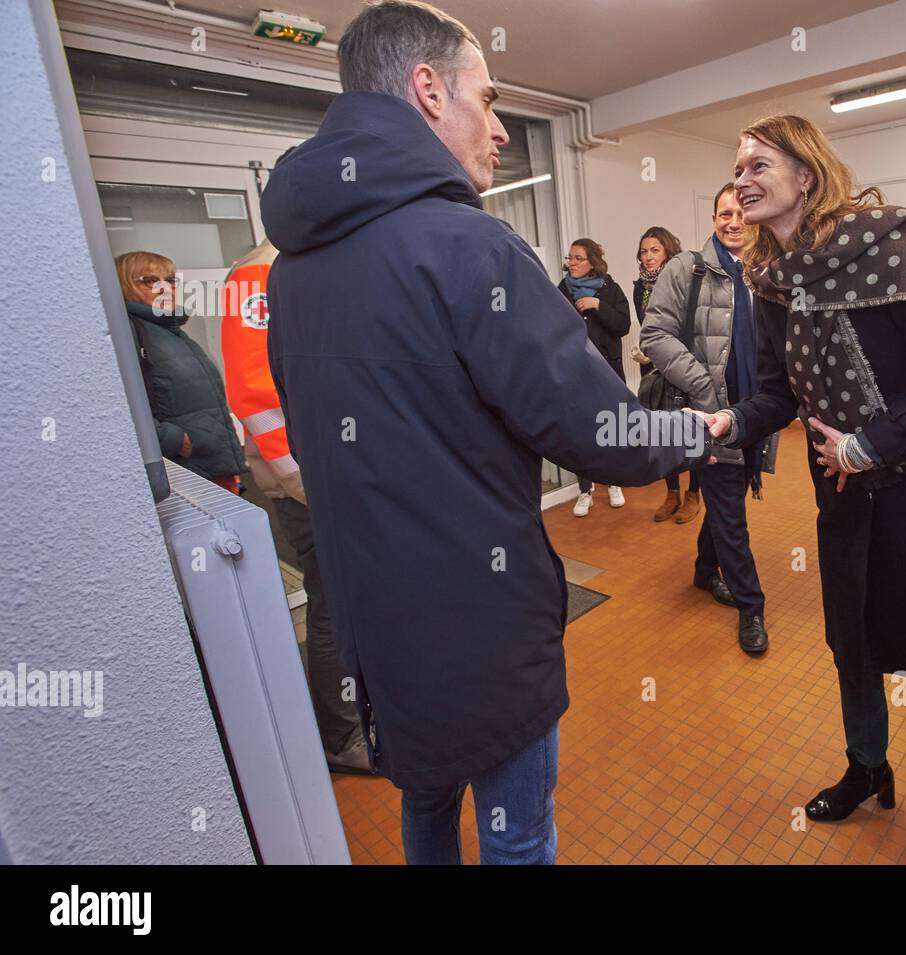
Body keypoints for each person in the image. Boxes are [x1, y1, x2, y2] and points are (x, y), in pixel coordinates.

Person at [260, 0, 705, 865]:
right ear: (428, 90)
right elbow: (600, 432)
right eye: (490, 100)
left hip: (373, 615)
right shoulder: (470, 246)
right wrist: (694, 428)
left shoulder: (292, 270)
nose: (500, 130)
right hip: (478, 618)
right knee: (516, 835)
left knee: (426, 803)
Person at [696, 114, 906, 863]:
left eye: (756, 164)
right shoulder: (771, 279)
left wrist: (868, 445)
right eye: (736, 167)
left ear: (806, 173)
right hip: (842, 496)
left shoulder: (894, 249)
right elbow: (778, 394)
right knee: (855, 643)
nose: (740, 179)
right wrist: (728, 421)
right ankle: (868, 766)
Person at [220, 220, 372, 776]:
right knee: (332, 608)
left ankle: (361, 712)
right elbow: (257, 397)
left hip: (336, 479)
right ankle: (341, 736)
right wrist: (311, 486)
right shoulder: (258, 275)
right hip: (309, 489)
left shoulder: (305, 267)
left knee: (353, 604)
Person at [642, 184, 770, 654]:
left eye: (741, 213)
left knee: (727, 497)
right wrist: (703, 387)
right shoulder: (686, 268)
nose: (733, 221)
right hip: (708, 413)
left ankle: (702, 572)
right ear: (713, 218)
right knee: (731, 511)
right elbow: (654, 333)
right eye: (723, 213)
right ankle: (751, 607)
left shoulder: (764, 272)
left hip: (753, 412)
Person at [116, 250, 246, 493]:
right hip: (185, 474)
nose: (165, 288)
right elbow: (117, 403)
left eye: (171, 280)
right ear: (123, 285)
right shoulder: (130, 332)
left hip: (212, 468)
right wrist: (171, 439)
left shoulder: (169, 330)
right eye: (150, 281)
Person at [630, 227, 701, 524]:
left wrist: (665, 352)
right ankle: (671, 492)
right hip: (654, 369)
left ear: (669, 252)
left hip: (683, 364)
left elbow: (692, 327)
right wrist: (649, 352)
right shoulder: (640, 288)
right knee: (664, 431)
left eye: (654, 250)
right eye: (644, 251)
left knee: (694, 426)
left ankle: (693, 494)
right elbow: (647, 327)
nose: (648, 257)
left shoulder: (683, 280)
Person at [558, 238, 631, 517]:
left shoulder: (610, 289)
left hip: (608, 370)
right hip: (576, 371)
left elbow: (623, 325)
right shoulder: (562, 289)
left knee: (611, 427)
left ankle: (613, 482)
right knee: (581, 431)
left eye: (578, 258)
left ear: (593, 262)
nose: (572, 263)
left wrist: (598, 305)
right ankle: (585, 490)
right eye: (570, 258)